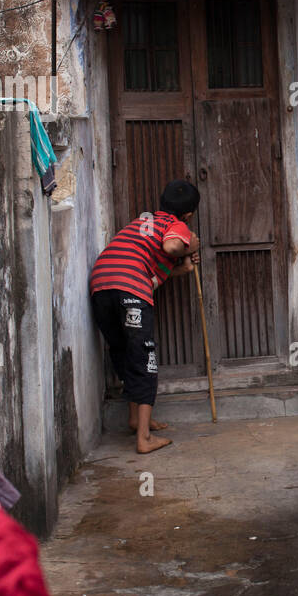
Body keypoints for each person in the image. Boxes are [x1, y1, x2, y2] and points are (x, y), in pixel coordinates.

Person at [89, 180, 201, 454]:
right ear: (188, 214)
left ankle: (136, 419)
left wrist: (183, 269)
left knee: (125, 352)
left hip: (100, 286)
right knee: (144, 357)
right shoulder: (176, 226)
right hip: (130, 288)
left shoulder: (141, 223)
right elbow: (173, 247)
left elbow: (148, 272)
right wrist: (190, 245)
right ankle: (144, 440)